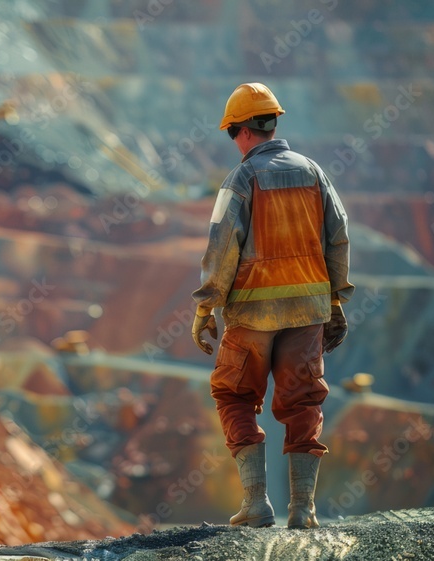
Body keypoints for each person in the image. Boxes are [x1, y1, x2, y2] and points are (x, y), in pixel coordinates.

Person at [191, 82, 354, 529]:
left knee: (234, 394)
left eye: (231, 133)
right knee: (304, 402)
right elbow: (338, 235)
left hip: (252, 316)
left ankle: (257, 503)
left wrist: (206, 308)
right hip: (307, 312)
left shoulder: (241, 179)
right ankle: (304, 509)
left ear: (241, 131)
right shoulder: (313, 172)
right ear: (273, 123)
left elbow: (222, 246)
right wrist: (335, 300)